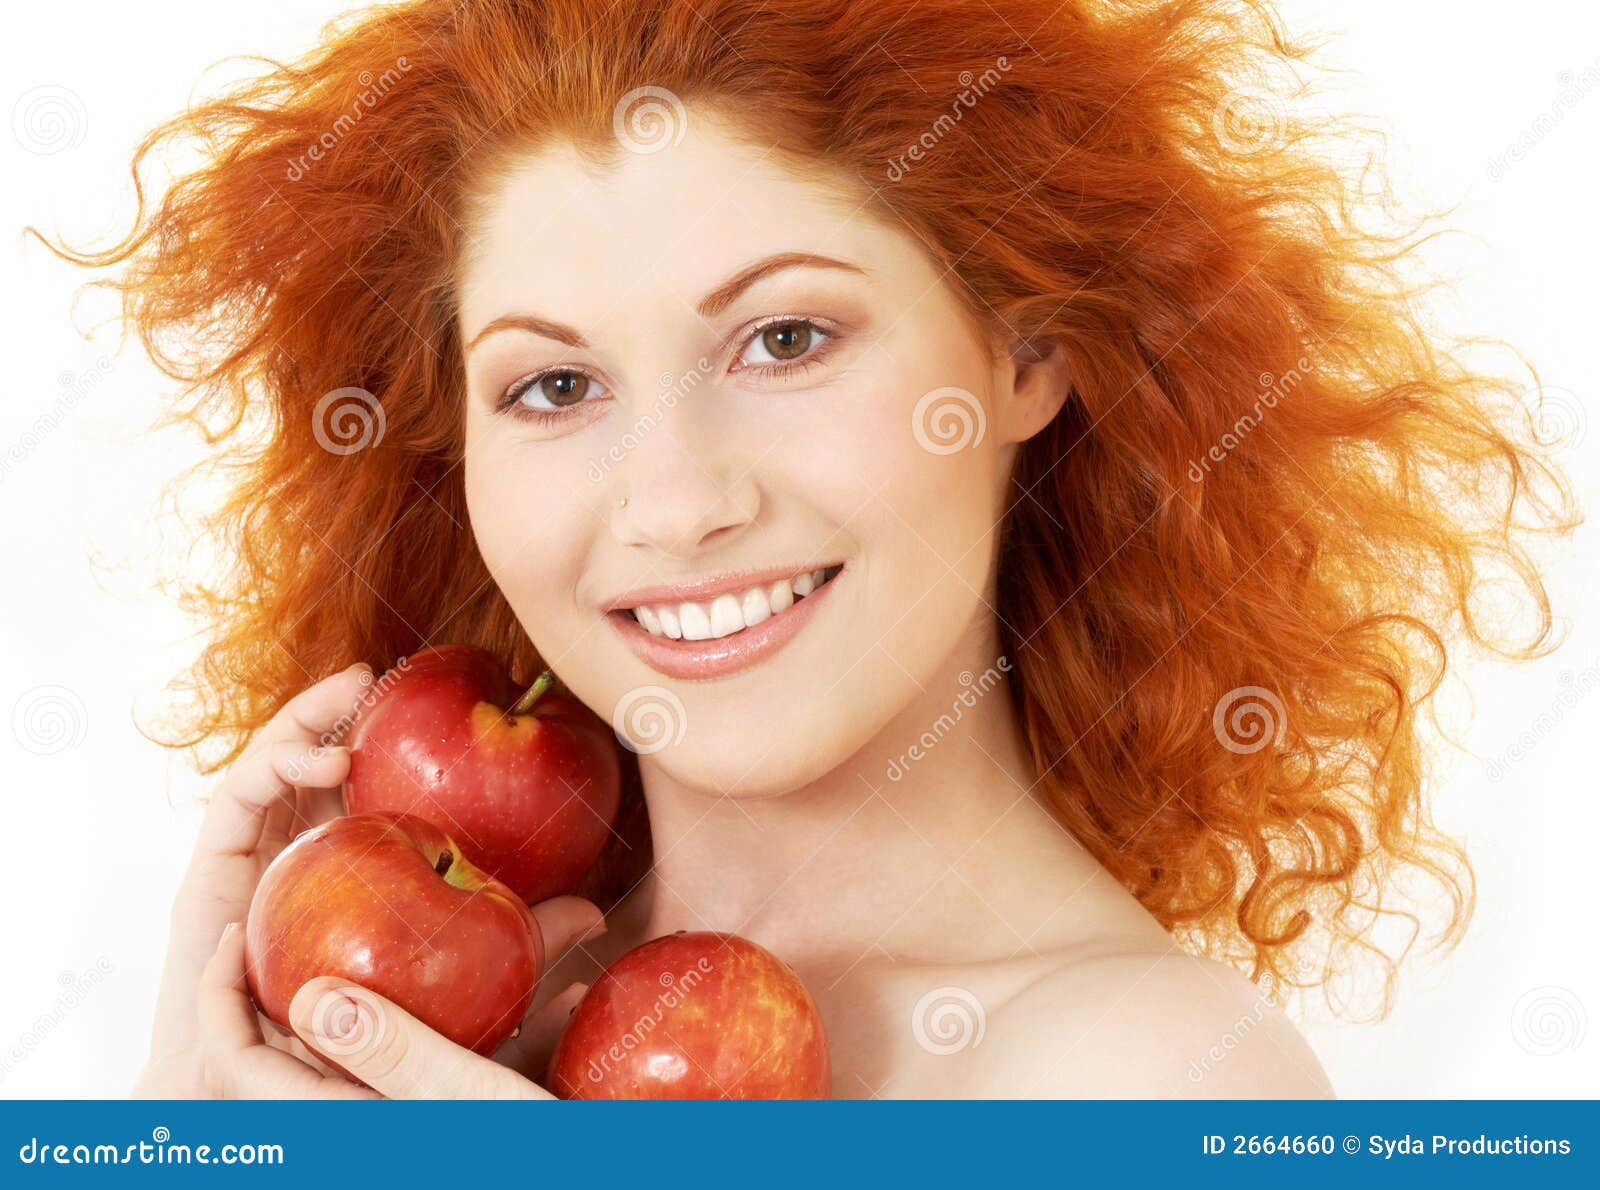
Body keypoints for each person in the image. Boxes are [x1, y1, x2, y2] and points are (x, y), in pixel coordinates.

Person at [50, 0, 1575, 1098]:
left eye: (784, 338)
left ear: (1023, 355)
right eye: (554, 385)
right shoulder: (398, 1047)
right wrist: (180, 1122)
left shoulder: (1156, 1083)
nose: (672, 501)